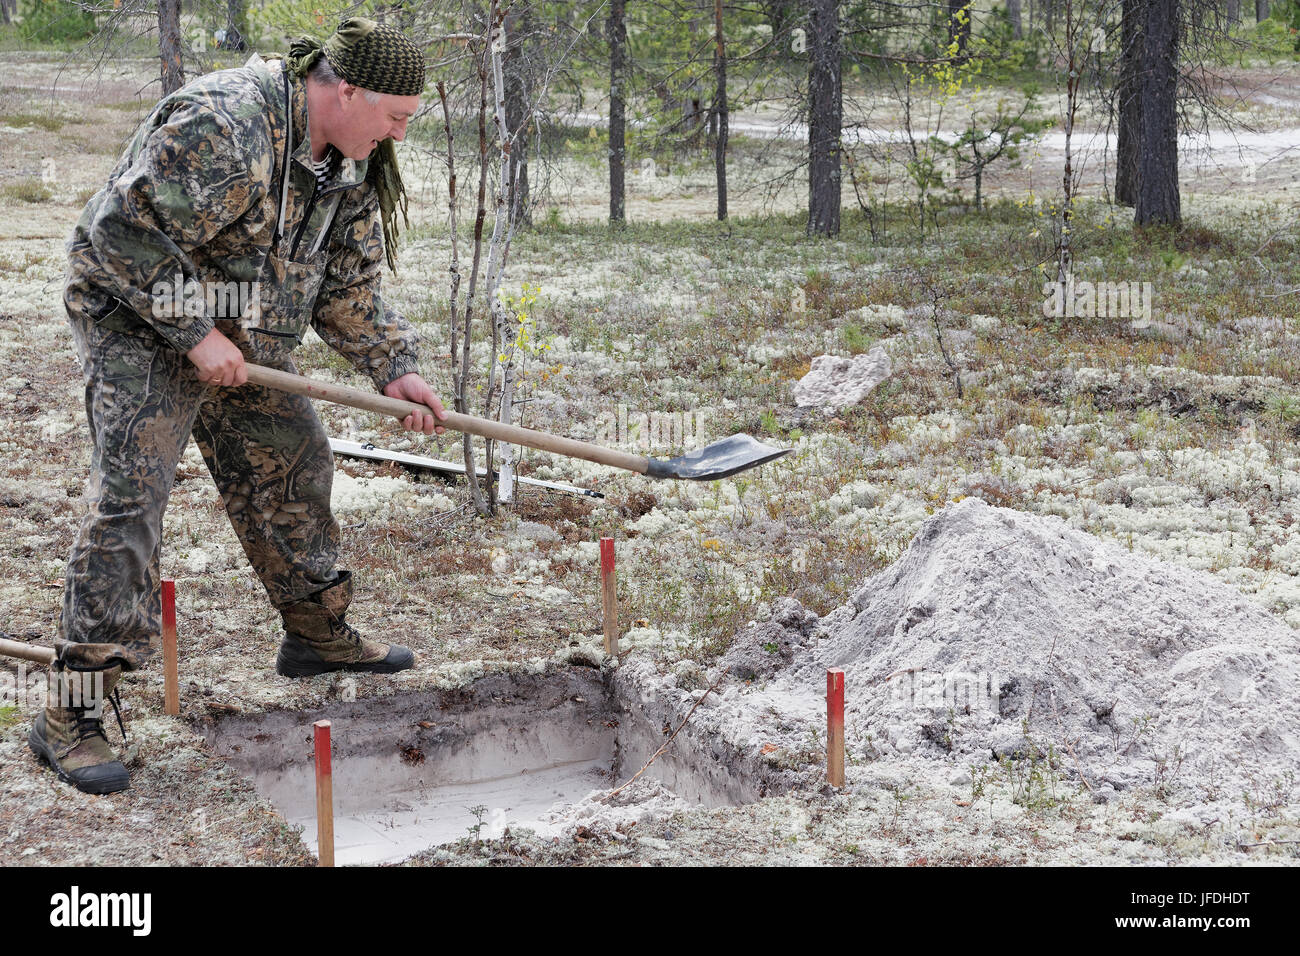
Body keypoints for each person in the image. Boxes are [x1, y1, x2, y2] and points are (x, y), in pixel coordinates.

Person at [30, 18, 447, 795]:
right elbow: (113, 231)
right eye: (394, 116)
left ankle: (317, 636)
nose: (398, 134)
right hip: (134, 316)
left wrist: (394, 369)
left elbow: (347, 284)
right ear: (344, 89)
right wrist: (191, 329)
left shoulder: (351, 162)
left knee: (292, 458)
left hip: (235, 330)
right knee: (131, 505)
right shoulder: (225, 122)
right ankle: (71, 713)